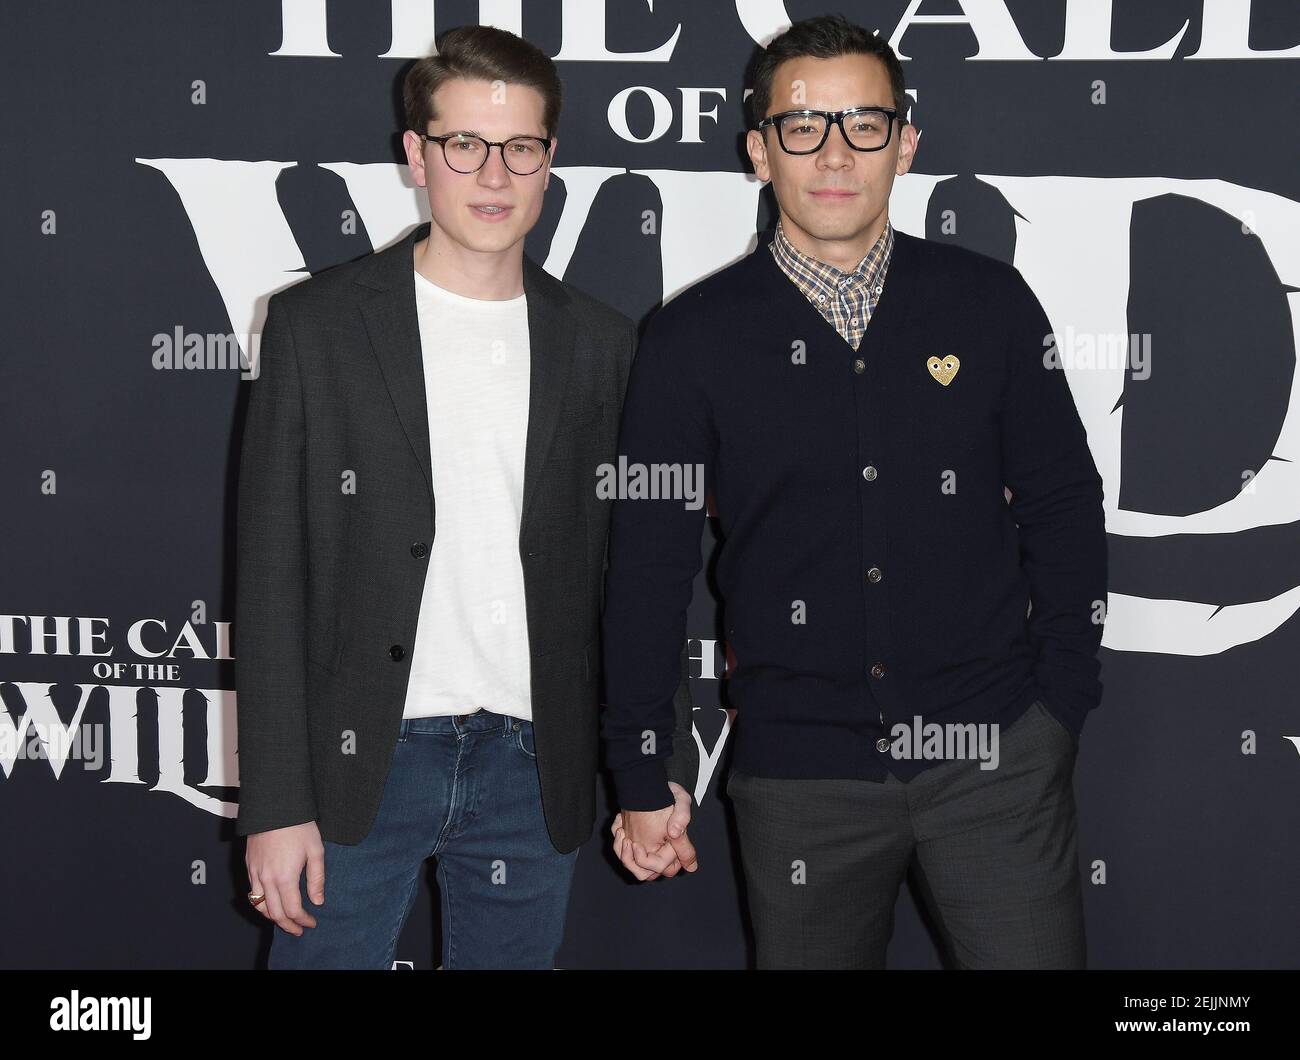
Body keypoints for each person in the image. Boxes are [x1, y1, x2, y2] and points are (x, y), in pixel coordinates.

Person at [602, 14, 1107, 969]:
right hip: (800, 783)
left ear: (906, 143)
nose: (835, 153)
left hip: (995, 761)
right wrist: (641, 768)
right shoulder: (687, 341)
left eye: (864, 124)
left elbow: (1064, 507)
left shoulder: (990, 303)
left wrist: (1061, 701)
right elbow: (647, 574)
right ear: (759, 151)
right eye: (803, 127)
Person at [235, 23, 695, 970]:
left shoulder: (603, 344)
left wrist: (656, 763)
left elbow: (634, 577)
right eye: (465, 146)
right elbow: (271, 574)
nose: (494, 175)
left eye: (520, 148)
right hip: (363, 757)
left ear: (550, 162)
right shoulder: (315, 326)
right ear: (416, 154)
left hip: (534, 766)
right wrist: (276, 804)